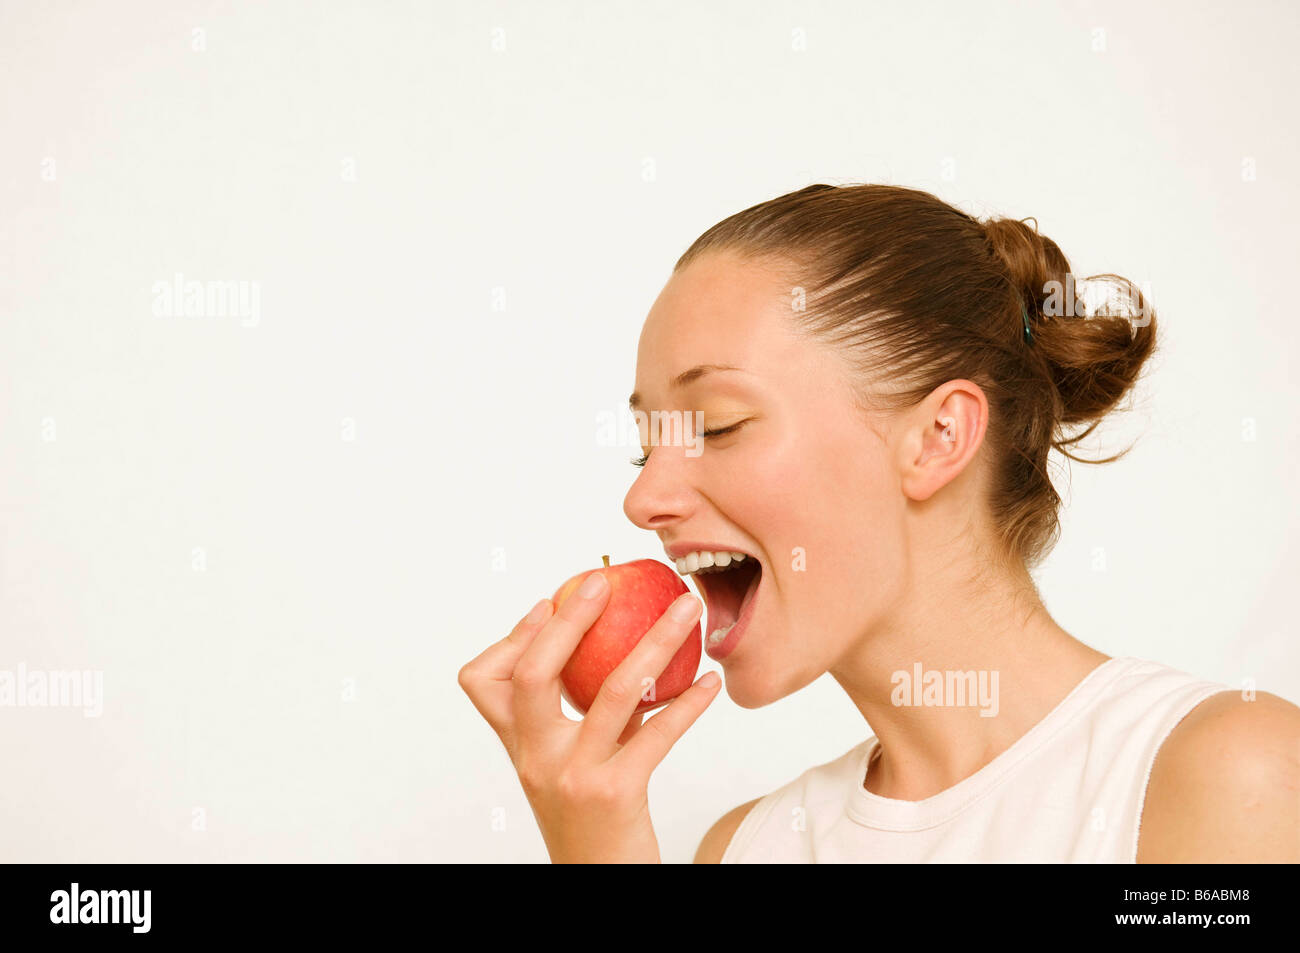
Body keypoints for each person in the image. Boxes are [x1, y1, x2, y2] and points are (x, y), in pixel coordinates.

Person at [459, 183, 1300, 863]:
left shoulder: (1230, 775)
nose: (643, 503)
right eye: (648, 450)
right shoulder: (747, 850)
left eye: (714, 423)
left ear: (938, 437)